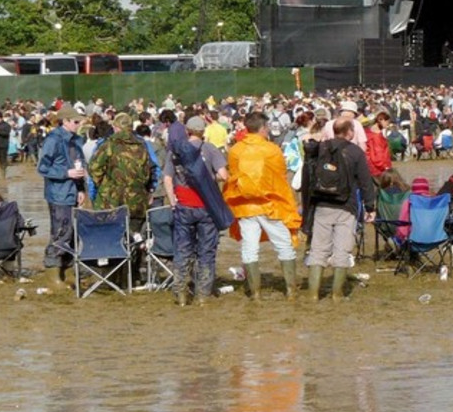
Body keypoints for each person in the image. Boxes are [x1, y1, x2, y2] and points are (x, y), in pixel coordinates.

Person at [224, 112, 303, 301]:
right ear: (262, 128)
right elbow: (280, 176)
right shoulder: (272, 149)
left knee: (249, 248)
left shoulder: (235, 150)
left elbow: (233, 177)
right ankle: (291, 290)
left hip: (245, 207)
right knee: (284, 246)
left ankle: (255, 293)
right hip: (270, 205)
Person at [302, 117, 374, 302]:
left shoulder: (321, 147)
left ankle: (312, 294)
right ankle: (337, 294)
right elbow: (366, 182)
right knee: (342, 250)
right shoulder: (356, 151)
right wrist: (370, 206)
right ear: (350, 132)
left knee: (318, 250)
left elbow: (308, 173)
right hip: (346, 205)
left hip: (322, 203)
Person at [162, 115, 229, 306]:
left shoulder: (175, 151)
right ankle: (203, 295)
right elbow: (224, 175)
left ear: (187, 131)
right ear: (203, 132)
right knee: (206, 252)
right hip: (206, 206)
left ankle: (181, 294)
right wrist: (210, 179)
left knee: (183, 250)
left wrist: (173, 200)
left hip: (183, 205)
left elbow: (167, 178)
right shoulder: (210, 149)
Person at [37, 105, 87, 284]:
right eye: (75, 122)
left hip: (73, 191)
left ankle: (68, 271)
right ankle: (52, 273)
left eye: (79, 121)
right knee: (61, 232)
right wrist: (66, 173)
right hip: (58, 194)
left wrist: (81, 189)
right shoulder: (53, 140)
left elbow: (78, 164)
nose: (78, 124)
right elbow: (42, 168)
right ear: (65, 121)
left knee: (72, 233)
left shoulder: (76, 140)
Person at [88, 112, 156, 234]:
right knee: (134, 238)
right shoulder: (142, 146)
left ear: (116, 128)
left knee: (111, 238)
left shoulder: (109, 145)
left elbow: (93, 168)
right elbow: (149, 172)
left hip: (110, 202)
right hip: (137, 202)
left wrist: (104, 184)